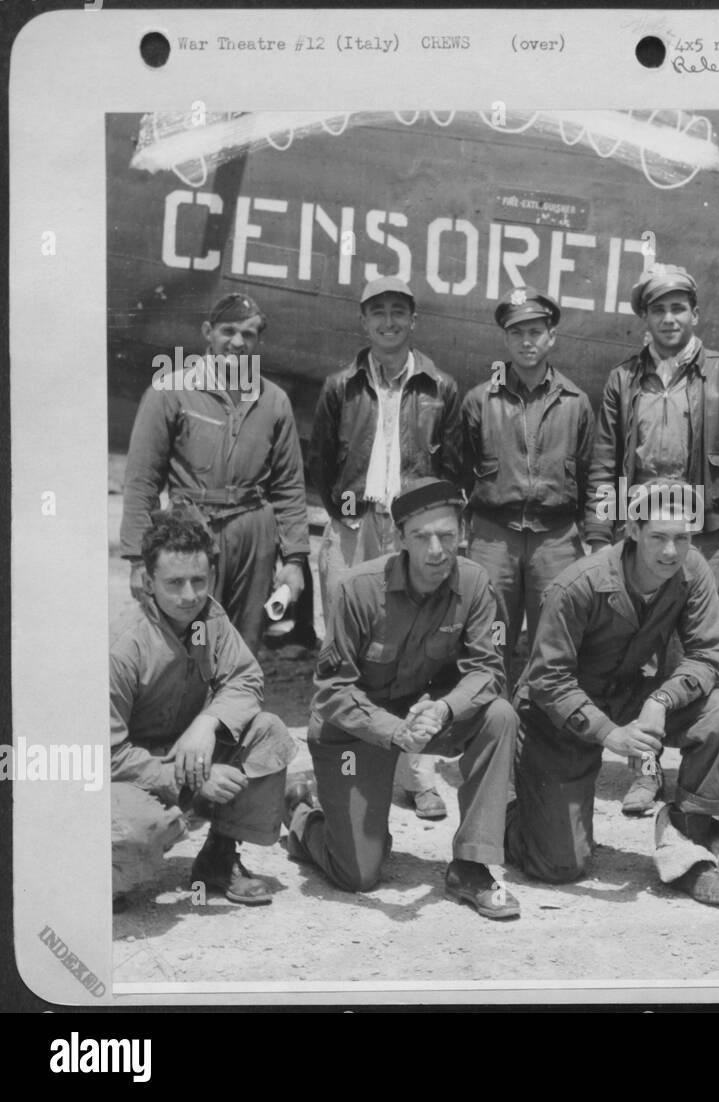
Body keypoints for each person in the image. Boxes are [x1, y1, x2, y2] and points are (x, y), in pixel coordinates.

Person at [284, 479, 520, 919]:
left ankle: (471, 865)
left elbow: (487, 670)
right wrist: (395, 731)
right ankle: (300, 810)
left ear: (462, 534)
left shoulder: (474, 584)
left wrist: (445, 707)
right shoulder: (357, 589)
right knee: (357, 873)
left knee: (499, 715)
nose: (436, 550)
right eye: (422, 537)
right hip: (359, 730)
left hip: (431, 718)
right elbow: (332, 691)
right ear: (399, 539)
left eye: (447, 536)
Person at [506, 482, 719, 907]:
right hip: (560, 713)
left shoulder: (692, 571)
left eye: (683, 538)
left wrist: (660, 701)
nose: (671, 552)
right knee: (559, 867)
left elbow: (709, 656)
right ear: (632, 529)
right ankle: (514, 806)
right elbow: (548, 679)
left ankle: (689, 842)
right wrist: (608, 734)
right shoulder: (578, 584)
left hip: (630, 693)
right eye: (658, 537)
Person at [587, 263, 719, 815]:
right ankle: (645, 775)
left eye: (678, 307)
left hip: (702, 536)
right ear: (645, 317)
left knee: (695, 655)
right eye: (658, 309)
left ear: (694, 313)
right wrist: (600, 533)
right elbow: (602, 465)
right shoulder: (623, 380)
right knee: (638, 655)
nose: (669, 318)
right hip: (639, 533)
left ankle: (697, 777)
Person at [308, 275, 463, 821]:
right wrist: (344, 512)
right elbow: (322, 461)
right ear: (364, 320)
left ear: (413, 319)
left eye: (400, 311)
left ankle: (416, 776)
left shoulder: (441, 386)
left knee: (416, 649)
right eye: (379, 312)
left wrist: (423, 527)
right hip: (353, 526)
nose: (389, 322)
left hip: (411, 530)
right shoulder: (339, 386)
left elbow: (451, 468)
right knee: (342, 644)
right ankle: (340, 764)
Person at [111, 511, 296, 910]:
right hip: (130, 771)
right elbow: (104, 755)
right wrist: (193, 780)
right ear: (147, 582)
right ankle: (103, 873)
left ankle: (219, 858)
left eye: (199, 580)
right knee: (138, 830)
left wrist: (207, 722)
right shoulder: (124, 647)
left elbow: (246, 679)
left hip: (189, 752)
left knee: (268, 732)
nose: (190, 595)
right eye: (174, 583)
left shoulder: (209, 617)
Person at [120, 292, 310, 651]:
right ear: (208, 332)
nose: (237, 342)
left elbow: (288, 487)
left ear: (258, 340)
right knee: (187, 637)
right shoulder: (170, 391)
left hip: (253, 532)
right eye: (228, 330)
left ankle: (236, 706)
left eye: (249, 334)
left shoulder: (274, 401)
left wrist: (295, 560)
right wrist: (136, 558)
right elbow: (142, 479)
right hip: (191, 528)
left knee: (244, 641)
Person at [461, 286, 594, 687]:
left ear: (551, 336)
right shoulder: (480, 400)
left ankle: (543, 721)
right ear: (505, 339)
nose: (526, 341)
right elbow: (460, 468)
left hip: (554, 539)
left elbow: (592, 474)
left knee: (552, 637)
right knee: (489, 635)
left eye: (535, 332)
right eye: (517, 333)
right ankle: (489, 714)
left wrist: (595, 535)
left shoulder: (575, 402)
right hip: (493, 537)